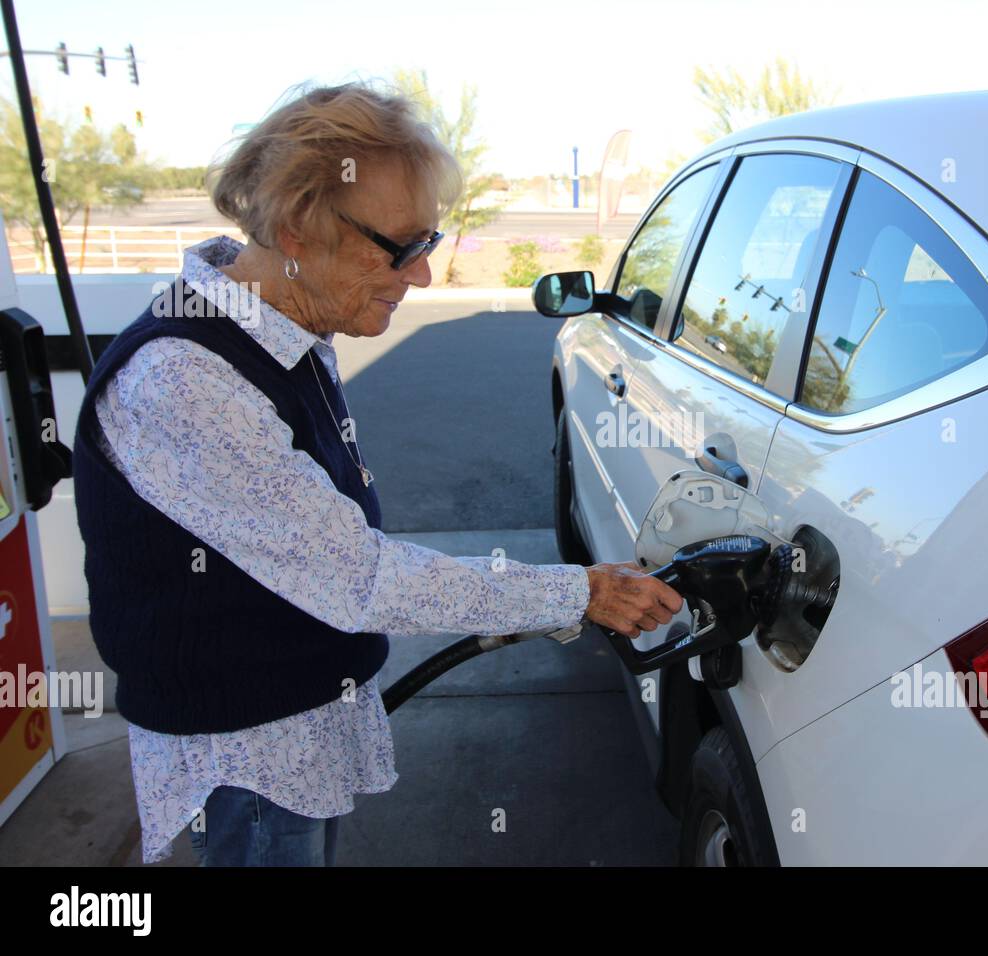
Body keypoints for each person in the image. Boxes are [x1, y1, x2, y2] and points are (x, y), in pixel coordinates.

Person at [71, 81, 682, 867]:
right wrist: (583, 592)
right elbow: (357, 579)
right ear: (296, 226)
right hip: (249, 753)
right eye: (400, 247)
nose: (421, 277)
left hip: (299, 719)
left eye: (428, 244)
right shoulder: (187, 380)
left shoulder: (284, 327)